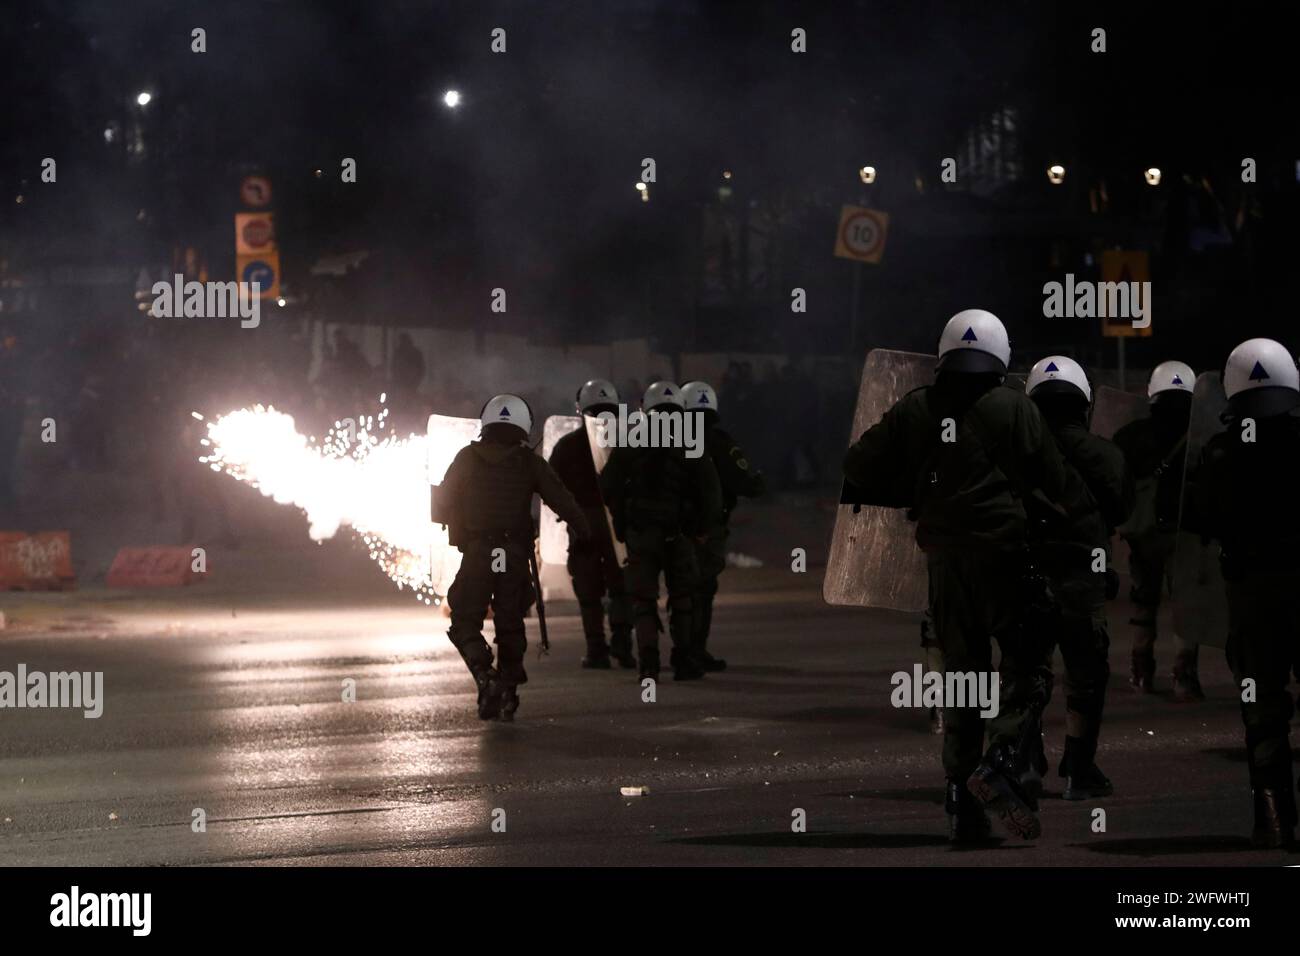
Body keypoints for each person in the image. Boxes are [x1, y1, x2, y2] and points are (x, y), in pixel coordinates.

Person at [841, 309, 1073, 842]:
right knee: (1029, 668)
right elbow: (1056, 482)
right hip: (1007, 560)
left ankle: (959, 805)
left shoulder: (915, 409)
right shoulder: (1017, 409)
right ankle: (998, 763)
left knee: (963, 681)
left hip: (945, 564)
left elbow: (858, 466)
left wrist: (919, 486)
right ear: (999, 354)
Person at [1184, 339, 1300, 847]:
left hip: (1253, 594)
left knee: (1262, 707)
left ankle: (1272, 817)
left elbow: (1199, 521)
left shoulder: (1221, 453)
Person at [436, 394, 590, 721]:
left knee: (464, 619)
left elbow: (441, 505)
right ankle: (507, 690)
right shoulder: (529, 462)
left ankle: (484, 675)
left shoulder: (467, 457)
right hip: (512, 554)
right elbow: (561, 499)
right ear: (522, 425)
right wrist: (584, 529)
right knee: (509, 620)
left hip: (479, 551)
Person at [1025, 356, 1134, 800]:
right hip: (1083, 577)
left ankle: (1025, 762)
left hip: (1029, 575)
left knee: (1027, 671)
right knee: (1086, 674)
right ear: (1083, 404)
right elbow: (1122, 511)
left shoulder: (1017, 451)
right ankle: (1079, 768)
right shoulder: (1105, 454)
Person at [599, 382, 723, 682]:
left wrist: (621, 521)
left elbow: (608, 485)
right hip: (679, 534)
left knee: (643, 600)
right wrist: (704, 529)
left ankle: (649, 664)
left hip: (640, 534)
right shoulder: (690, 439)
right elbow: (710, 493)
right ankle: (683, 662)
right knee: (682, 598)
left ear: (646, 406)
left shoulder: (631, 438)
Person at [1112, 361, 1200, 699]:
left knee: (1143, 603)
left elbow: (1118, 484)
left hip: (1144, 533)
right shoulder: (1200, 436)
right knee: (1186, 603)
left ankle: (1142, 671)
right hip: (1186, 531)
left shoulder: (1131, 436)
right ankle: (1185, 676)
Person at [549, 379, 636, 670]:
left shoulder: (566, 446)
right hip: (618, 526)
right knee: (622, 587)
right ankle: (623, 646)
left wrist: (568, 515)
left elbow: (550, 488)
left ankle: (596, 650)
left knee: (589, 592)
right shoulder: (628, 442)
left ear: (579, 409)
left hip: (583, 525)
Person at [680, 380, 765, 671]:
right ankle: (693, 651)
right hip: (709, 528)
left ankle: (679, 652)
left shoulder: (667, 439)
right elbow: (745, 483)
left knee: (681, 590)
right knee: (702, 590)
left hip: (673, 527)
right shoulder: (720, 441)